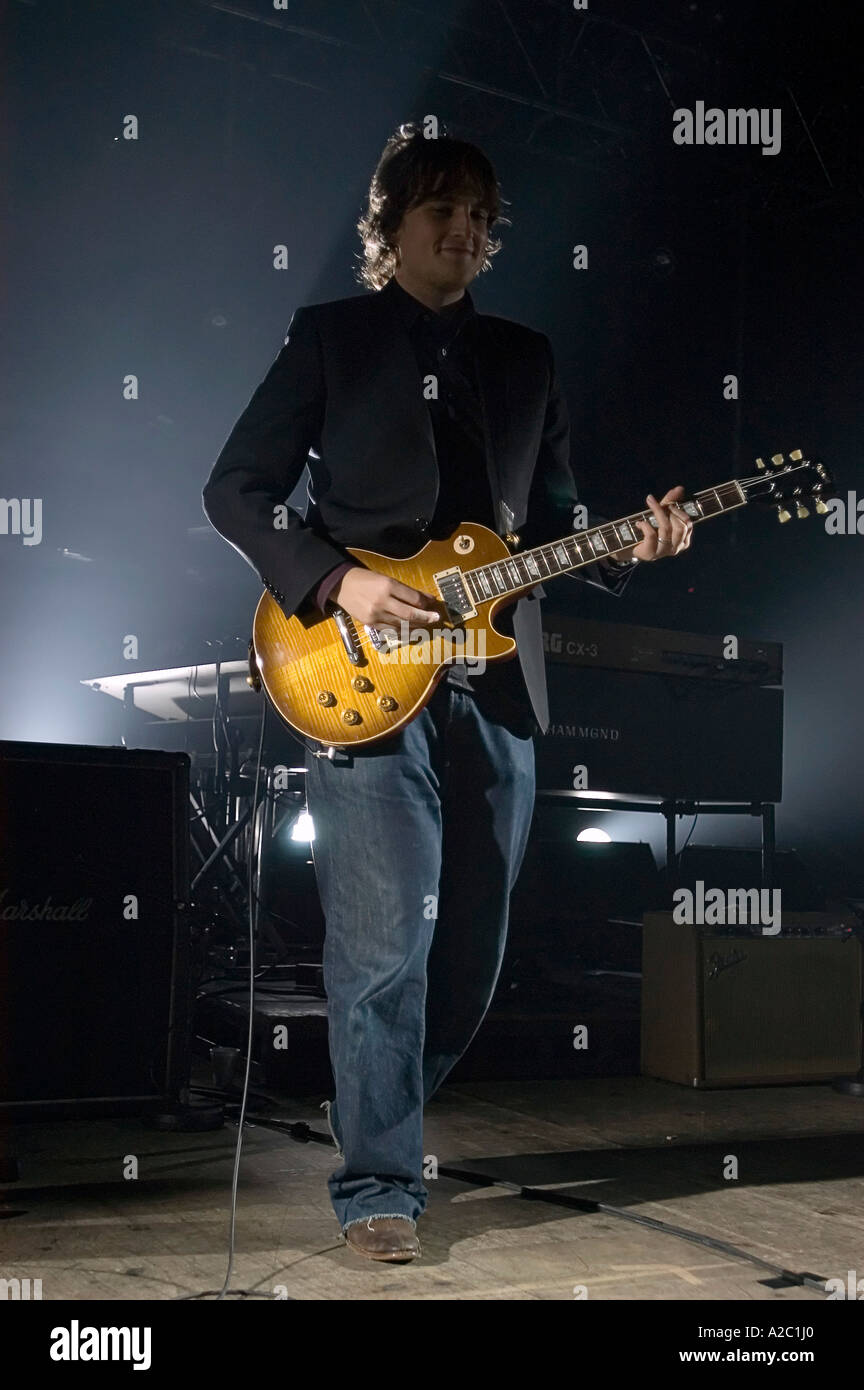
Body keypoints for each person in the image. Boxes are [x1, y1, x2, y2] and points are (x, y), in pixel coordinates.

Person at [202, 123, 693, 1263]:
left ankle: (377, 1106)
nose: (465, 231)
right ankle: (379, 1182)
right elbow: (237, 490)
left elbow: (565, 524)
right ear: (390, 228)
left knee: (467, 961)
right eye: (441, 211)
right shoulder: (333, 339)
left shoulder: (527, 356)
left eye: (479, 216)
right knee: (382, 955)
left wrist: (634, 544)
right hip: (365, 686)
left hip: (497, 691)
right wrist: (340, 579)